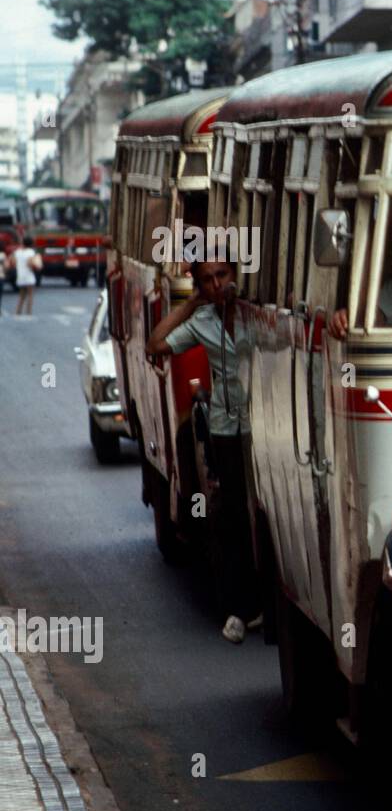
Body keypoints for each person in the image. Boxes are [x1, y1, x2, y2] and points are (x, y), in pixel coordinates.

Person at [146, 256, 261, 644]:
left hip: (265, 428)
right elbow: (156, 342)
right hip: (226, 430)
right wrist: (192, 304)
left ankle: (262, 603)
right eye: (207, 280)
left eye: (222, 276)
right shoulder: (203, 321)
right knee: (230, 518)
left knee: (262, 517)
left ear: (236, 276)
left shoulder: (257, 314)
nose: (216, 285)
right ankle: (238, 609)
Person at [11, 236, 40, 317]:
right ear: (31, 244)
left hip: (20, 275)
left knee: (21, 296)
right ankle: (29, 312)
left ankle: (18, 312)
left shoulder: (17, 252)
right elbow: (30, 263)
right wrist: (35, 266)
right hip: (29, 275)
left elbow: (13, 262)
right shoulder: (30, 252)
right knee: (30, 295)